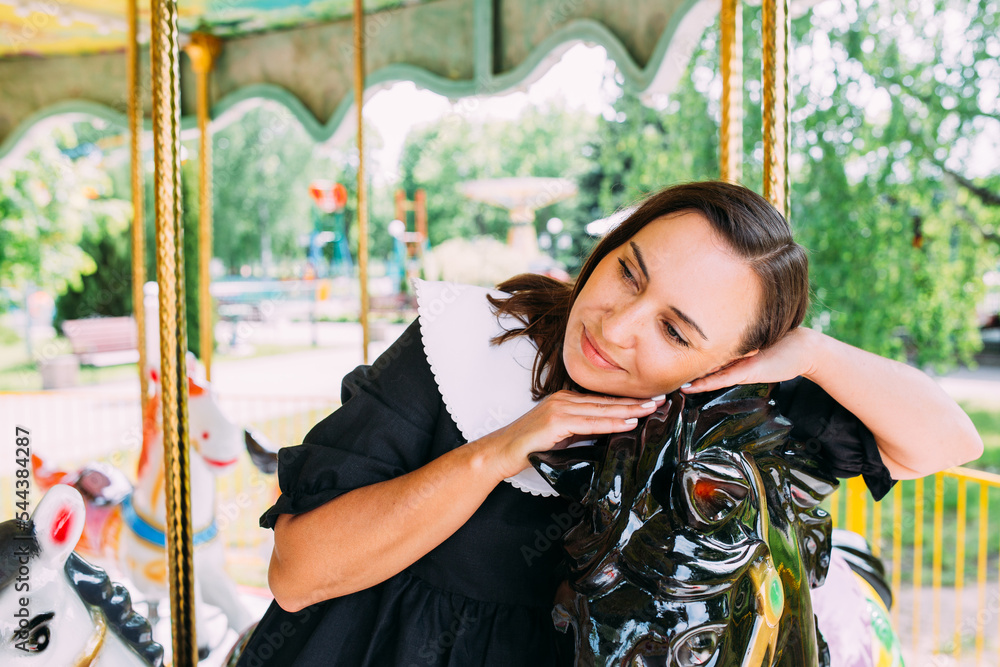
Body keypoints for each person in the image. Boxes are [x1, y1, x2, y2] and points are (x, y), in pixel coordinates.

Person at [234, 181, 982, 667]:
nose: (616, 325)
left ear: (729, 358)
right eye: (629, 270)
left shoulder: (719, 407)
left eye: (675, 329)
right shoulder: (469, 342)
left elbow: (947, 441)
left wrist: (811, 351)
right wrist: (497, 451)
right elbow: (297, 575)